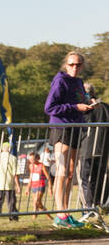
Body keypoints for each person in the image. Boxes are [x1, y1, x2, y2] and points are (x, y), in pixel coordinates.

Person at [45, 51, 92, 226]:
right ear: (66, 65)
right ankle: (61, 215)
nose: (75, 67)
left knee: (71, 172)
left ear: (82, 66)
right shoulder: (60, 81)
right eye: (71, 64)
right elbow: (49, 107)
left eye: (78, 65)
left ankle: (65, 213)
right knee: (62, 171)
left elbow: (80, 100)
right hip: (61, 128)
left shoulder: (78, 82)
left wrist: (88, 103)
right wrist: (75, 107)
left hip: (75, 128)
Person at [78, 81, 108, 214]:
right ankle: (98, 205)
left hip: (87, 148)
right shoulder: (106, 108)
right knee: (99, 178)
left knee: (86, 179)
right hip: (103, 148)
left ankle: (88, 209)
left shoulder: (84, 109)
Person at [0, 141, 19, 224]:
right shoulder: (13, 158)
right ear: (10, 149)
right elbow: (14, 174)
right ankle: (13, 217)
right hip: (9, 183)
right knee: (11, 202)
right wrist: (18, 186)